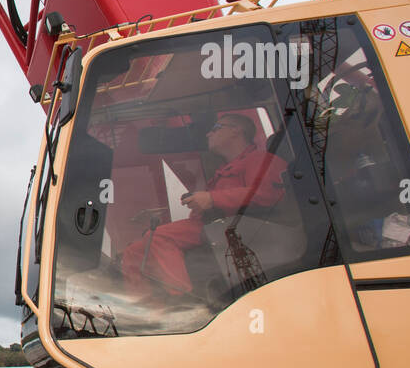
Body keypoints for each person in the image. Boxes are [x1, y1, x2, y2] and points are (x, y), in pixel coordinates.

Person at [121, 113, 287, 295]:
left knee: (160, 237)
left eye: (215, 128)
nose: (208, 134)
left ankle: (181, 299)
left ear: (236, 131)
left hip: (235, 230)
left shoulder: (261, 160)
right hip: (211, 227)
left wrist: (212, 199)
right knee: (134, 251)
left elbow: (267, 194)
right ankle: (149, 307)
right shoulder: (226, 167)